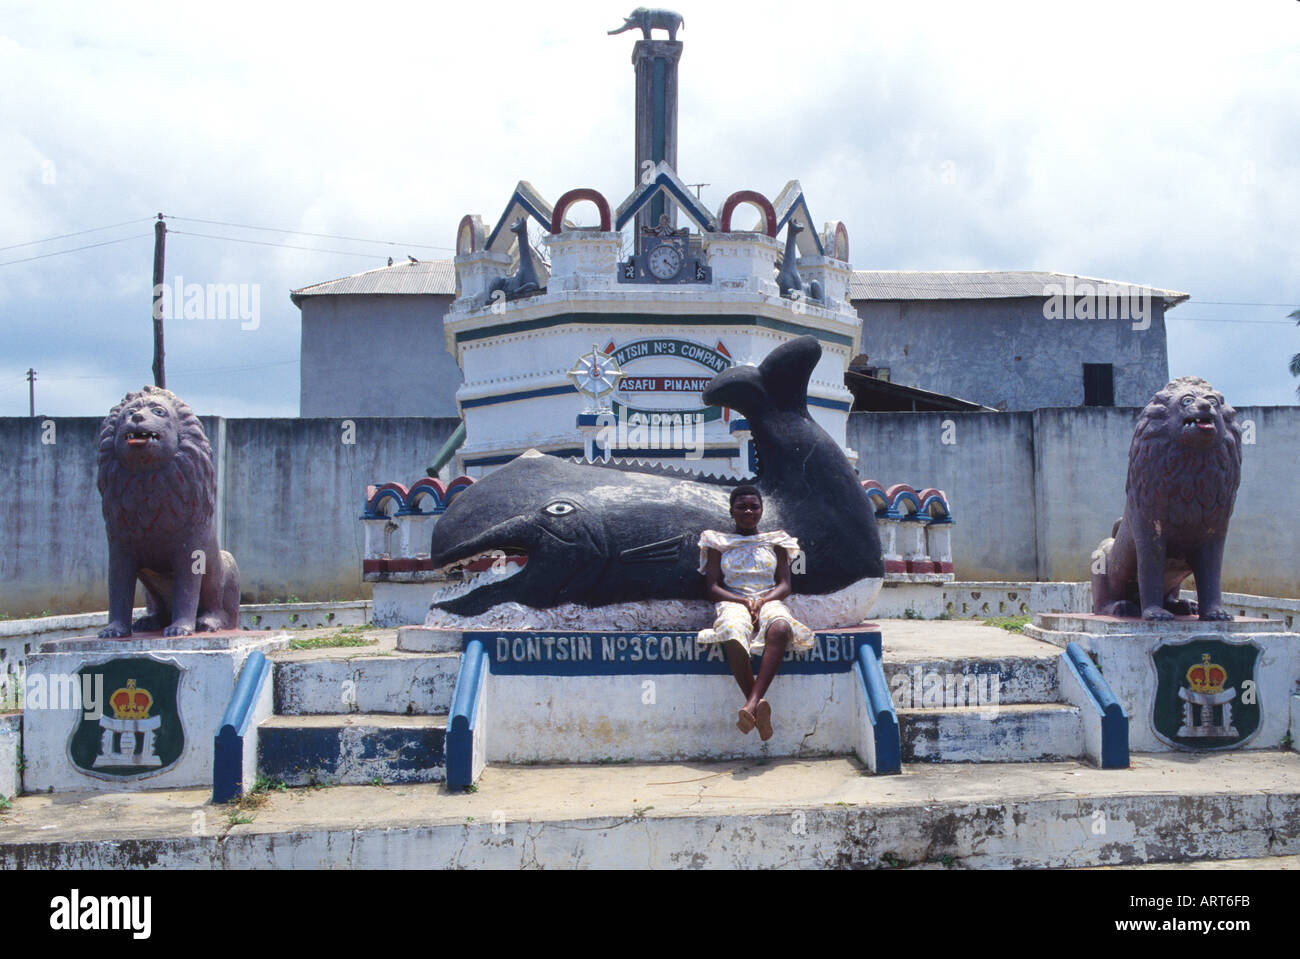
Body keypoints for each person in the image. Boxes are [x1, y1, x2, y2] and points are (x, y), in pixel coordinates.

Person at [697, 484, 814, 741]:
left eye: (754, 506)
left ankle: (750, 705)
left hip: (768, 598)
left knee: (781, 626)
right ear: (732, 511)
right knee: (732, 630)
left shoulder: (777, 541)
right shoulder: (718, 543)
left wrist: (762, 601)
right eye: (741, 507)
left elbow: (785, 584)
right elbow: (713, 587)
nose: (748, 511)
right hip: (732, 600)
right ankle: (758, 707)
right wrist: (742, 600)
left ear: (762, 510)